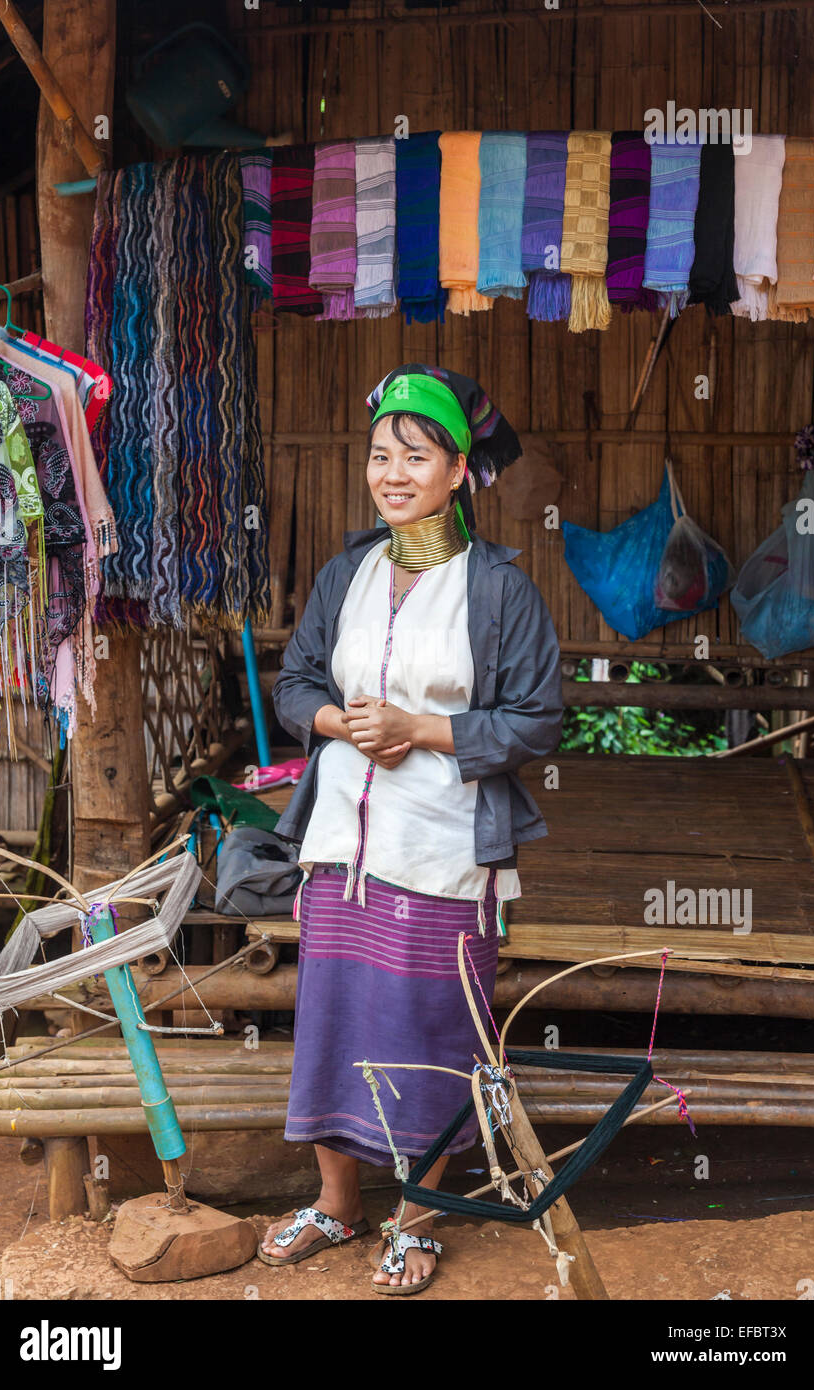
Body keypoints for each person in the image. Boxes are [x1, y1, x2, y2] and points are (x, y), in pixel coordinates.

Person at [259, 364, 563, 1294]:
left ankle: (420, 1213)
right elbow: (295, 683)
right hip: (341, 852)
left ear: (458, 470)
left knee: (428, 1031)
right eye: (381, 454)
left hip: (441, 851)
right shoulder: (347, 573)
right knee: (336, 1021)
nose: (394, 472)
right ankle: (338, 1205)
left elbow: (537, 720)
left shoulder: (499, 590)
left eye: (416, 455)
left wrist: (418, 729)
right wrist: (337, 723)